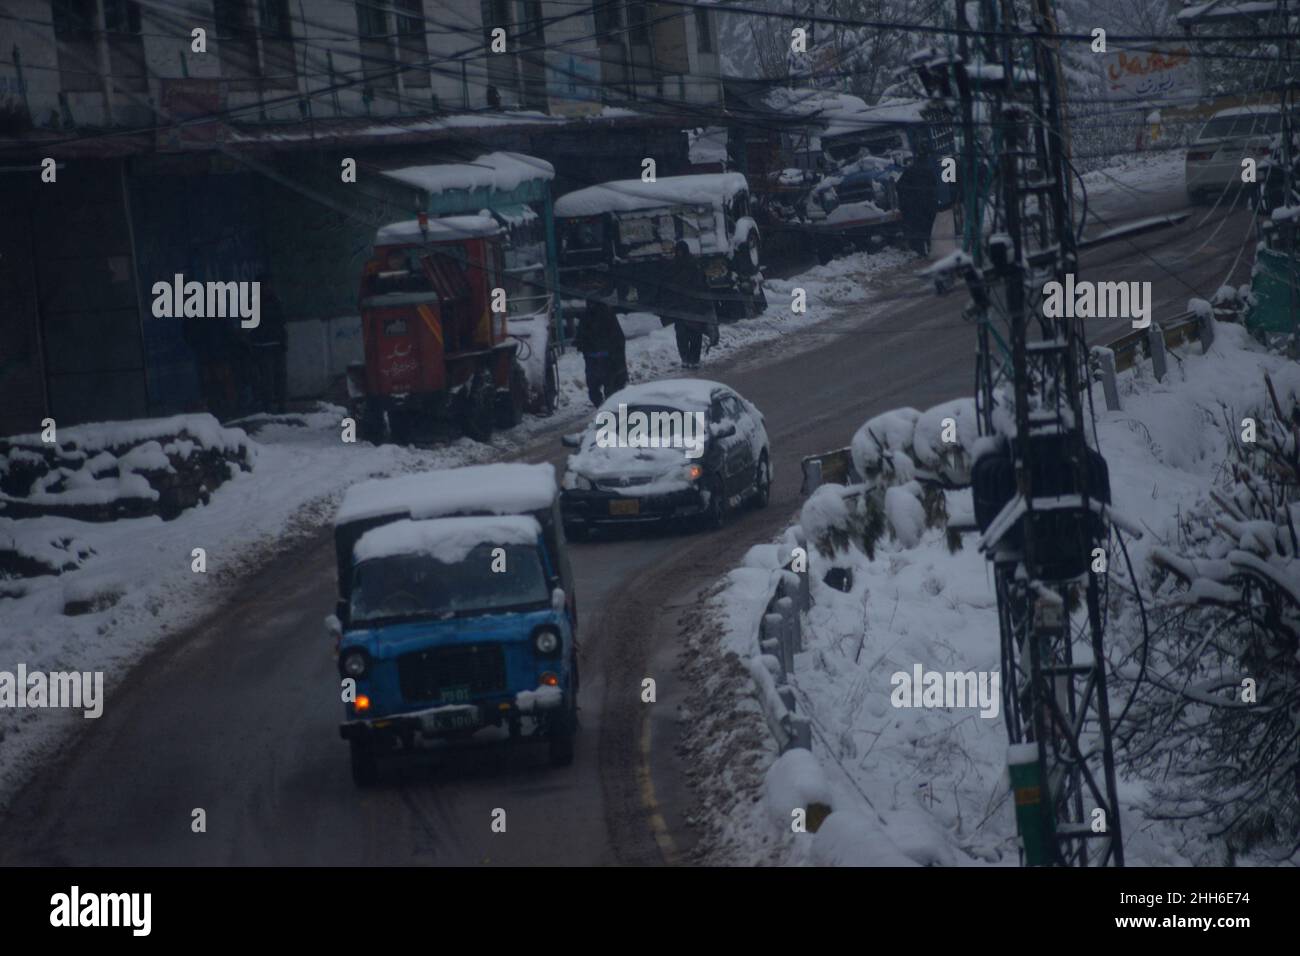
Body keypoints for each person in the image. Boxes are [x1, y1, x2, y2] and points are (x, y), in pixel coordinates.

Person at [660, 241, 719, 369]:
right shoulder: (682, 266)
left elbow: (702, 287)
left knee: (692, 336)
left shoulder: (690, 266)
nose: (679, 254)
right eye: (678, 251)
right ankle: (688, 359)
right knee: (684, 335)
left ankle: (692, 359)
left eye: (680, 251)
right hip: (686, 308)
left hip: (691, 308)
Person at [575, 299, 626, 407]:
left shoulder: (587, 315)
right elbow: (618, 339)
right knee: (609, 387)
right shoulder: (607, 314)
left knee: (595, 388)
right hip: (605, 359)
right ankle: (608, 408)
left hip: (595, 359)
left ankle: (604, 408)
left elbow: (580, 337)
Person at [250, 272, 288, 414]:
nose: (268, 287)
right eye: (265, 285)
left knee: (280, 376)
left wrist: (283, 341)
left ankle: (281, 405)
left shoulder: (275, 300)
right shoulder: (254, 301)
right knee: (268, 379)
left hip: (276, 344)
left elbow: (282, 322)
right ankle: (268, 406)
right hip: (263, 345)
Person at [895, 155, 939, 258]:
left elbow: (899, 186)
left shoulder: (909, 172)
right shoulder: (929, 171)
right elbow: (935, 185)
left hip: (914, 206)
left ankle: (921, 252)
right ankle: (930, 247)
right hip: (927, 205)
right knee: (928, 228)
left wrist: (907, 200)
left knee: (917, 229)